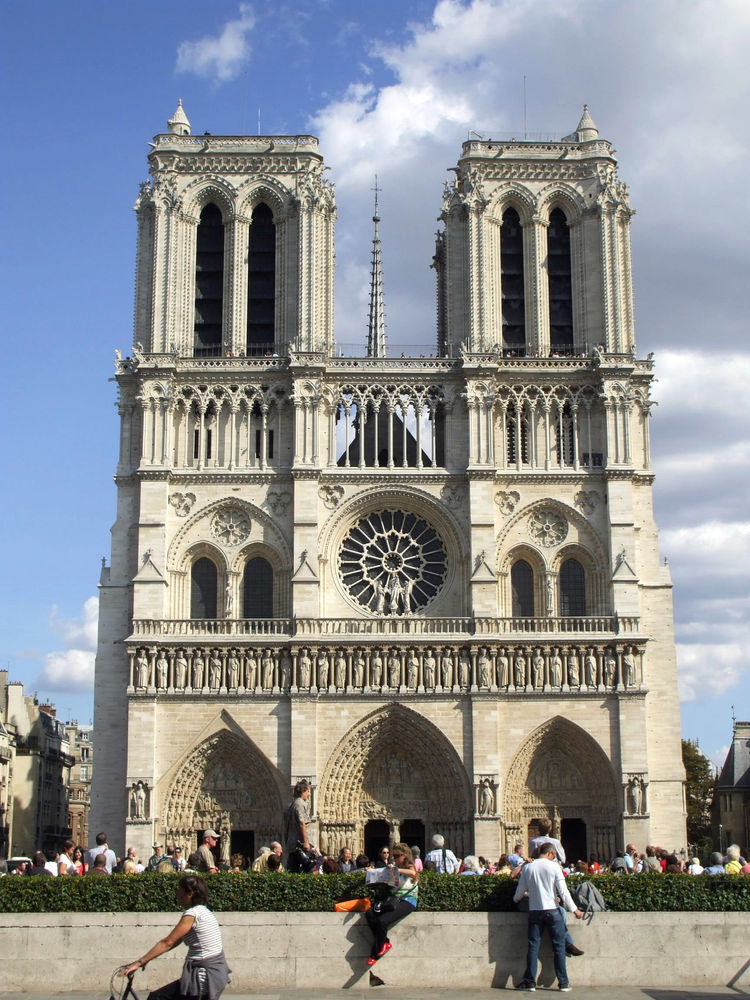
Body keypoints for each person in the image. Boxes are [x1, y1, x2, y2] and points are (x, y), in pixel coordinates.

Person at [118, 874, 230, 1000]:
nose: (177, 893)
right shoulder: (204, 911)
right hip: (215, 974)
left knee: (156, 997)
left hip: (203, 976)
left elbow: (167, 942)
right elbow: (177, 940)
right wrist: (147, 959)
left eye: (180, 889)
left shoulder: (192, 914)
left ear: (190, 893)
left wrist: (139, 962)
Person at [513, 842, 583, 992]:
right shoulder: (554, 867)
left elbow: (519, 893)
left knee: (533, 948)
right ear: (550, 853)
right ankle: (564, 983)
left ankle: (530, 982)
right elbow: (563, 892)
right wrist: (575, 910)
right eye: (554, 856)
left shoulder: (528, 867)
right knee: (558, 948)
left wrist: (516, 899)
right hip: (552, 911)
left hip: (535, 911)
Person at [364, 843, 419, 966]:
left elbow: (413, 873)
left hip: (407, 901)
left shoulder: (409, 866)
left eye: (398, 856)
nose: (395, 858)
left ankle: (376, 952)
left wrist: (397, 870)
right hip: (394, 899)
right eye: (394, 856)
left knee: (382, 921)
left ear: (405, 856)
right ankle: (384, 942)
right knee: (370, 914)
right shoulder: (394, 867)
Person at [283, 779, 315, 872]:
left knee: (293, 868)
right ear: (303, 791)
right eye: (308, 791)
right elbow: (302, 823)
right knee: (308, 869)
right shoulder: (299, 804)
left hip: (292, 843)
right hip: (300, 844)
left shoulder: (291, 804)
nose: (309, 794)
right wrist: (306, 842)